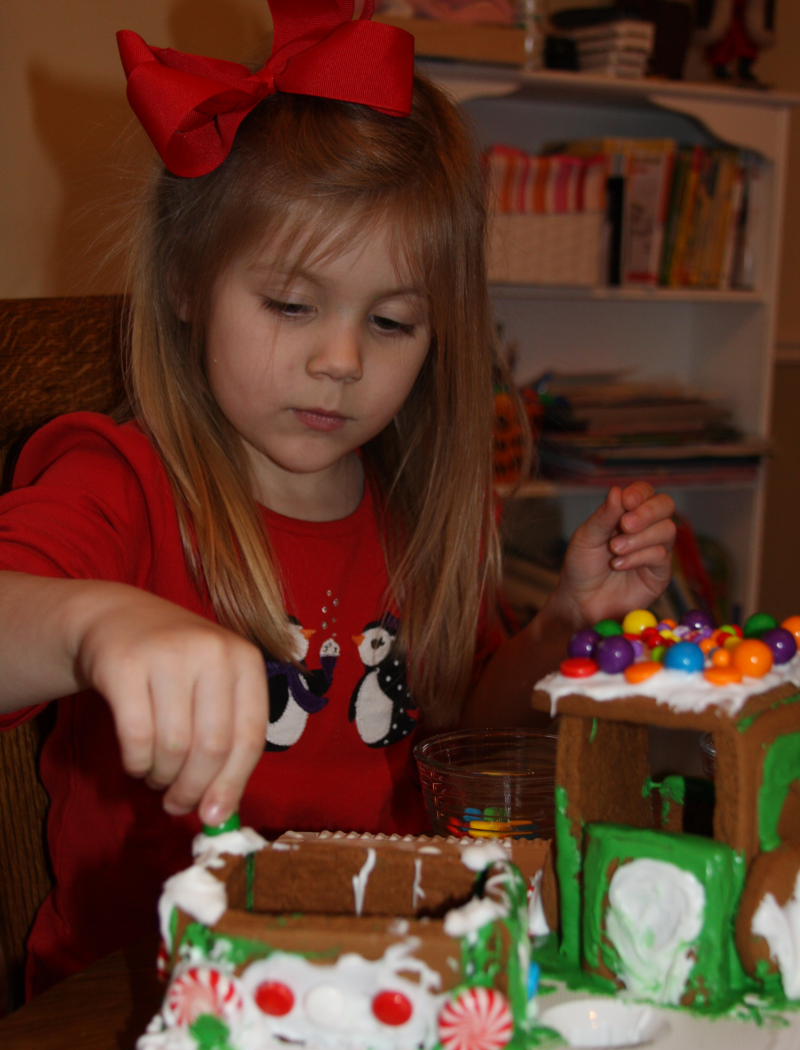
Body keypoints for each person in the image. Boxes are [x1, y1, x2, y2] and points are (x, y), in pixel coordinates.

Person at [0, 0, 676, 996]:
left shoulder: (412, 514)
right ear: (189, 279)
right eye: (290, 304)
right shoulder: (120, 482)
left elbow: (458, 728)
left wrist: (556, 629)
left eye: (393, 321)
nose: (340, 360)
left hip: (382, 982)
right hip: (140, 1006)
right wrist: (98, 619)